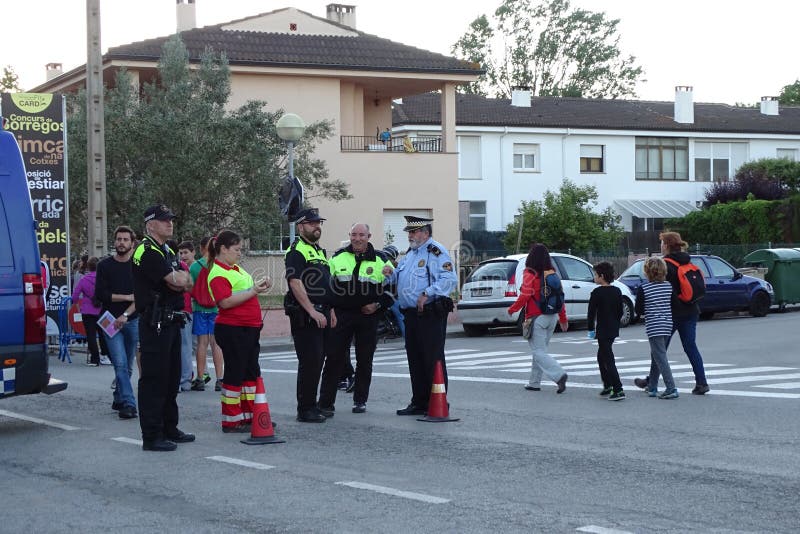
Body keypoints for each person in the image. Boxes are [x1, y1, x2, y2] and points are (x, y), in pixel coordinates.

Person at [132, 204, 195, 452]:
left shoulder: (167, 249)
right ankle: (152, 435)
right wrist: (178, 280)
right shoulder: (147, 251)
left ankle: (169, 427)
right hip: (155, 322)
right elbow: (175, 279)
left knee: (170, 381)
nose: (170, 223)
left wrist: (179, 280)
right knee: (154, 381)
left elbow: (186, 281)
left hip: (172, 321)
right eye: (164, 220)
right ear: (150, 225)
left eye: (170, 219)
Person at [385, 216, 457, 416]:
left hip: (429, 314)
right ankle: (419, 401)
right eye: (409, 232)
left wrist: (427, 293)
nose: (410, 236)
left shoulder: (436, 252)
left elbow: (449, 278)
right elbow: (400, 277)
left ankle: (437, 401)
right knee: (415, 358)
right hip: (410, 314)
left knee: (431, 358)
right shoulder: (410, 254)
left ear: (425, 233)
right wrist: (390, 273)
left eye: (414, 232)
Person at [319, 223, 394, 415]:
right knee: (334, 358)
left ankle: (360, 400)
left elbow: (392, 289)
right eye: (354, 234)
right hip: (342, 315)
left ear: (369, 236)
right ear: (349, 235)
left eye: (361, 235)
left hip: (368, 317)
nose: (357, 238)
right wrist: (330, 310)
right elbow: (327, 288)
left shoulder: (382, 259)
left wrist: (377, 305)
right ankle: (325, 404)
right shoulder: (337, 257)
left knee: (364, 360)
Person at [206, 230, 271, 433]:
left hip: (248, 328)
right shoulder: (217, 273)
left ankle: (253, 414)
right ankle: (231, 419)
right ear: (223, 249)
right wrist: (253, 291)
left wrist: (258, 286)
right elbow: (225, 302)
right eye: (236, 249)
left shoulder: (235, 269)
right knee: (235, 373)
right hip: (233, 328)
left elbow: (245, 292)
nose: (239, 253)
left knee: (250, 372)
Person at [634, 231, 710, 395]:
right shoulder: (687, 261)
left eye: (661, 243)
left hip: (670, 314)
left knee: (659, 350)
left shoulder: (665, 265)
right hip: (691, 311)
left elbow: (661, 292)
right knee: (690, 347)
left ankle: (652, 383)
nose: (660, 246)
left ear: (667, 245)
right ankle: (702, 382)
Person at [284, 208, 337, 423]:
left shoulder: (318, 251)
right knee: (310, 361)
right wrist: (312, 310)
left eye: (319, 223)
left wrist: (331, 309)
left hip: (322, 312)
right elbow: (295, 283)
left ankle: (313, 405)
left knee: (320, 361)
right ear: (300, 226)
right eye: (312, 223)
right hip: (306, 315)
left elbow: (326, 284)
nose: (317, 226)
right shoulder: (296, 251)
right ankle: (305, 408)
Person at [507, 243, 569, 394]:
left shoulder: (530, 273)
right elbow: (560, 298)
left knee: (538, 352)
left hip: (537, 317)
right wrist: (563, 318)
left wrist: (512, 309)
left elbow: (525, 295)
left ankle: (559, 374)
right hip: (552, 317)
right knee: (540, 351)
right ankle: (534, 383)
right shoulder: (552, 273)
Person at [95, 226, 140, 419]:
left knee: (128, 365)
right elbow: (101, 295)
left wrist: (127, 314)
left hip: (132, 320)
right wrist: (125, 297)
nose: (121, 243)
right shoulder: (104, 266)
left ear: (132, 243)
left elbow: (141, 296)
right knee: (120, 363)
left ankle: (118, 396)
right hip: (109, 322)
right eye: (118, 239)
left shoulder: (137, 267)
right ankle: (129, 404)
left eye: (125, 239)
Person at [634, 257, 679, 399]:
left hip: (654, 326)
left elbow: (639, 309)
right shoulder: (668, 286)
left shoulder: (644, 288)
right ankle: (652, 387)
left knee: (660, 357)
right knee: (656, 356)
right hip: (667, 325)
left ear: (647, 272)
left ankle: (671, 388)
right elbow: (675, 305)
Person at [189, 236, 224, 392]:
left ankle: (200, 377)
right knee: (216, 344)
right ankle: (220, 379)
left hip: (199, 308)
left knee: (201, 344)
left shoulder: (195, 266)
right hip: (216, 308)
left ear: (203, 248)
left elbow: (189, 287)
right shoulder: (219, 266)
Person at [587, 261, 624, 401]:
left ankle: (618, 388)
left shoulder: (596, 292)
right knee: (601, 356)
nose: (594, 277)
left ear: (601, 276)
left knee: (608, 359)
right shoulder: (617, 291)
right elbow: (620, 311)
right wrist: (615, 323)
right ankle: (608, 384)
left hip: (602, 330)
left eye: (595, 274)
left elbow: (591, 313)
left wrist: (590, 329)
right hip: (613, 329)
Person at [71, 256, 110, 367]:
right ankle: (105, 356)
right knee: (104, 334)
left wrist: (78, 302)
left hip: (87, 311)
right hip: (103, 310)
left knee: (91, 335)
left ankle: (94, 359)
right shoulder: (104, 279)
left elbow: (75, 296)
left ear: (88, 266)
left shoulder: (84, 279)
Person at [169, 240, 194, 393]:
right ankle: (185, 380)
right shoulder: (183, 266)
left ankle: (181, 380)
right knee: (185, 346)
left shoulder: (172, 267)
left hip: (177, 310)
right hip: (186, 310)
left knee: (178, 347)